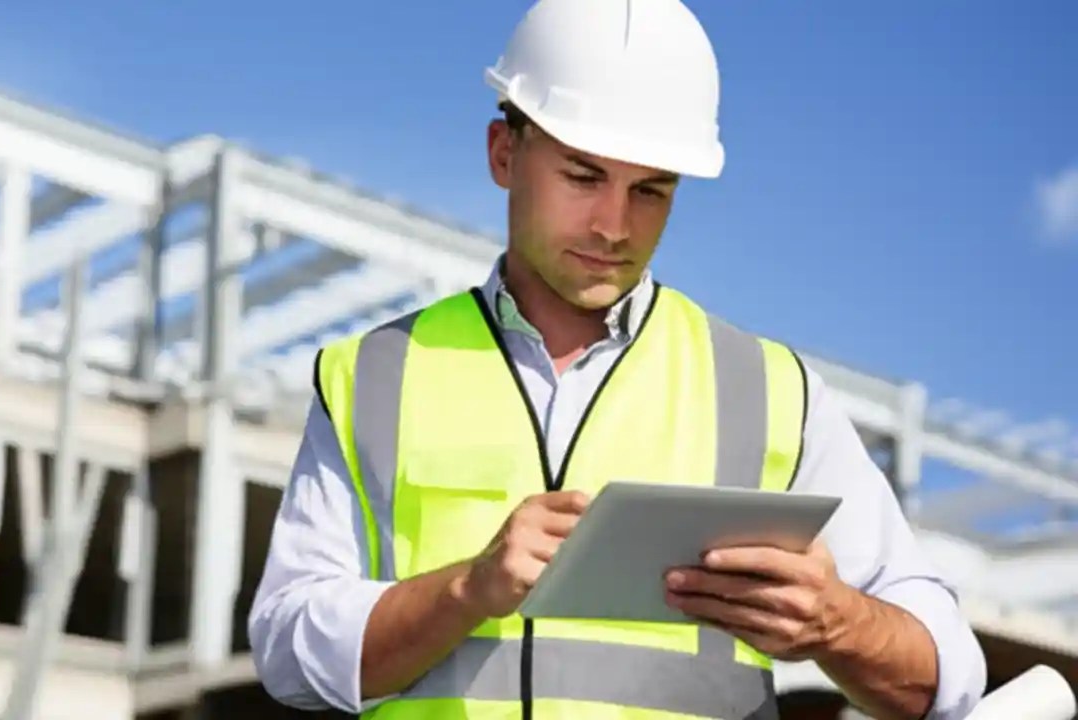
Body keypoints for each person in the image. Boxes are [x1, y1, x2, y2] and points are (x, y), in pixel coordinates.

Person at [248, 0, 987, 718]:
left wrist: (836, 622)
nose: (613, 226)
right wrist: (466, 591)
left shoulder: (771, 395)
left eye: (651, 191)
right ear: (505, 154)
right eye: (582, 176)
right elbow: (286, 653)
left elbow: (946, 676)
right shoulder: (373, 375)